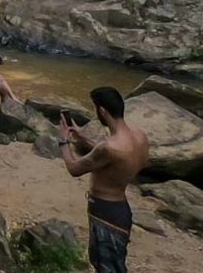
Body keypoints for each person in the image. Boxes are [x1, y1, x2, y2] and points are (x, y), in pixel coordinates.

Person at [59, 87, 149, 273]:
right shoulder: (140, 138)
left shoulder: (108, 148)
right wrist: (81, 135)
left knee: (106, 266)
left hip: (104, 213)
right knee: (116, 262)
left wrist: (63, 142)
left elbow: (74, 169)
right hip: (122, 210)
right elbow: (116, 157)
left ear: (102, 111)